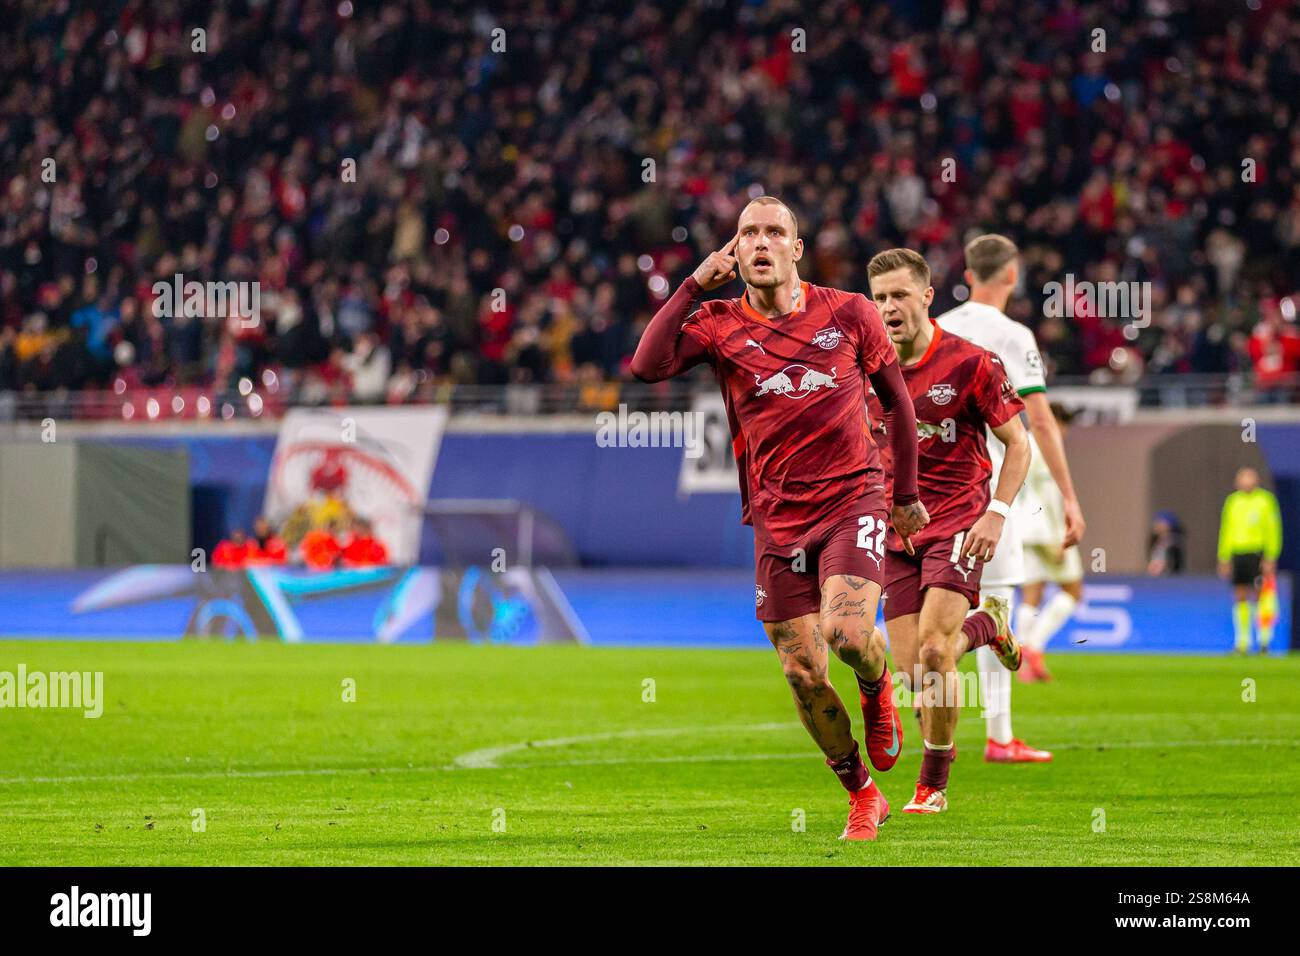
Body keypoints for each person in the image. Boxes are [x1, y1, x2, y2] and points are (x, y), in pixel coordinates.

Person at [631, 196, 927, 841]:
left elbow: (899, 407)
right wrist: (689, 287)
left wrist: (903, 495)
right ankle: (861, 792)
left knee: (846, 634)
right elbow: (645, 366)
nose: (760, 242)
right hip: (776, 516)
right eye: (747, 233)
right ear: (734, 252)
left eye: (774, 232)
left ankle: (878, 691)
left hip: (854, 498)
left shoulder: (849, 313)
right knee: (800, 670)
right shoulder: (716, 323)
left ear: (797, 247)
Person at [866, 249, 1030, 814]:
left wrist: (998, 513)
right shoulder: (864, 371)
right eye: (880, 297)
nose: (889, 307)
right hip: (895, 535)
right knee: (916, 674)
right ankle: (989, 624)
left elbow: (1019, 444)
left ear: (928, 296)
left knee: (936, 654)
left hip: (958, 520)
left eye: (900, 295)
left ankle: (932, 782)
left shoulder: (972, 363)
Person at [936, 234, 1084, 763]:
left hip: (929, 494)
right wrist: (1068, 495)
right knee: (995, 609)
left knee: (922, 602)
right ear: (1013, 276)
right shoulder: (1013, 335)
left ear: (969, 274)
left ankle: (898, 696)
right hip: (990, 493)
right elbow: (1039, 419)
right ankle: (998, 737)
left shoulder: (938, 327)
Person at [1015, 403, 1085, 681]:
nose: (1065, 433)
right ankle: (1034, 647)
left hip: (1021, 528)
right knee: (1073, 591)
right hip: (1044, 530)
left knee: (1031, 594)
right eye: (1064, 425)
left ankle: (1021, 658)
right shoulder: (1045, 447)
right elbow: (1049, 495)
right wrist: (1059, 537)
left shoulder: (1020, 442)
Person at [1217, 468, 1283, 654]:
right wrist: (1224, 557)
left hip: (1257, 553)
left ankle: (1263, 640)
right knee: (1240, 595)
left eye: (1249, 477)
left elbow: (1273, 529)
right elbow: (1226, 530)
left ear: (1256, 480)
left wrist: (1271, 555)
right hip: (1238, 553)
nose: (1246, 481)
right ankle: (1242, 642)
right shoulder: (1233, 501)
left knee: (1261, 595)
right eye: (1242, 478)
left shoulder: (1265, 500)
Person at [1146, 511, 1185, 576]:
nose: (1156, 525)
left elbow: (1175, 563)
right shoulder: (1154, 540)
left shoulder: (1174, 542)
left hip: (1170, 574)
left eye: (1160, 523)